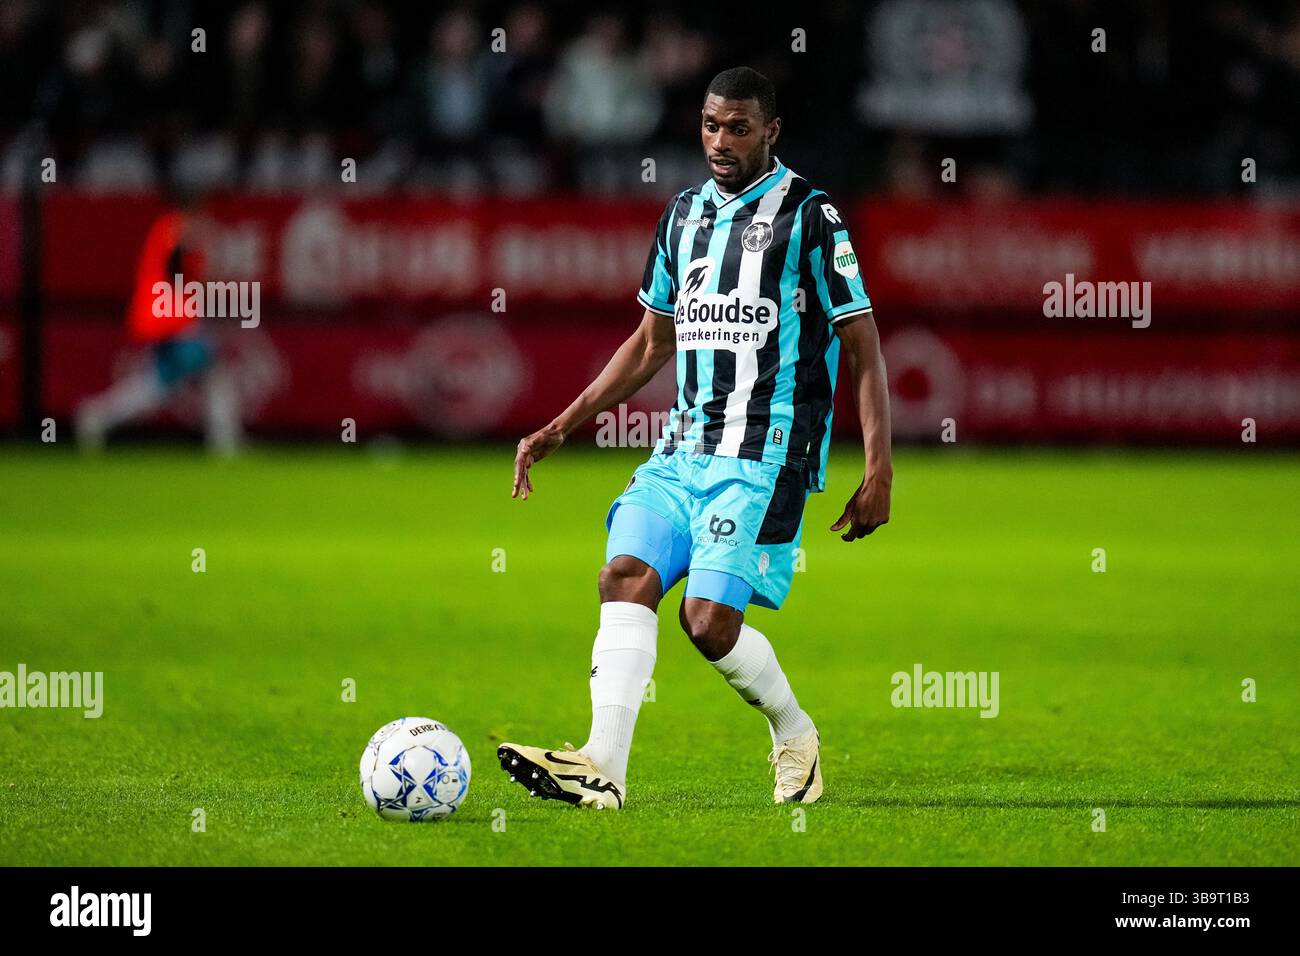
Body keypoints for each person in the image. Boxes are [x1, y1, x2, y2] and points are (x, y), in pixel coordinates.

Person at [500, 67, 892, 809]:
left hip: (763, 455)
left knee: (707, 624)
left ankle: (795, 732)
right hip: (682, 452)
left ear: (770, 132)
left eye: (738, 127)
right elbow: (651, 344)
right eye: (711, 124)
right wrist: (561, 425)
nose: (720, 140)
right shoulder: (682, 217)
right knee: (623, 575)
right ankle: (602, 768)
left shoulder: (812, 217)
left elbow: (863, 342)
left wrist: (879, 470)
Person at [75, 192, 242, 454]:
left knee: (159, 383)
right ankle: (226, 443)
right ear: (193, 208)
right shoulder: (177, 229)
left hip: (161, 315)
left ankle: (96, 416)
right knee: (208, 367)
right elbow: (180, 271)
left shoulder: (167, 229)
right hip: (168, 316)